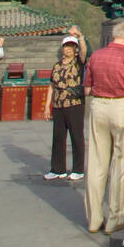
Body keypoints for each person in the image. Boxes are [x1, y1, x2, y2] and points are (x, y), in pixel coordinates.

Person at [83, 20, 124, 234]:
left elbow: (87, 89)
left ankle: (94, 218)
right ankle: (114, 218)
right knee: (120, 163)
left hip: (98, 106)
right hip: (123, 108)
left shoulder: (96, 56)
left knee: (96, 163)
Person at [44, 30, 87, 180]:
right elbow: (51, 86)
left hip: (74, 104)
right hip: (58, 104)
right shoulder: (56, 66)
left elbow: (84, 52)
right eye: (66, 46)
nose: (68, 49)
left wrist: (80, 38)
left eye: (71, 46)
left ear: (75, 49)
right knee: (58, 137)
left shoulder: (78, 63)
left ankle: (78, 169)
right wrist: (47, 106)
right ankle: (57, 169)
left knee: (76, 136)